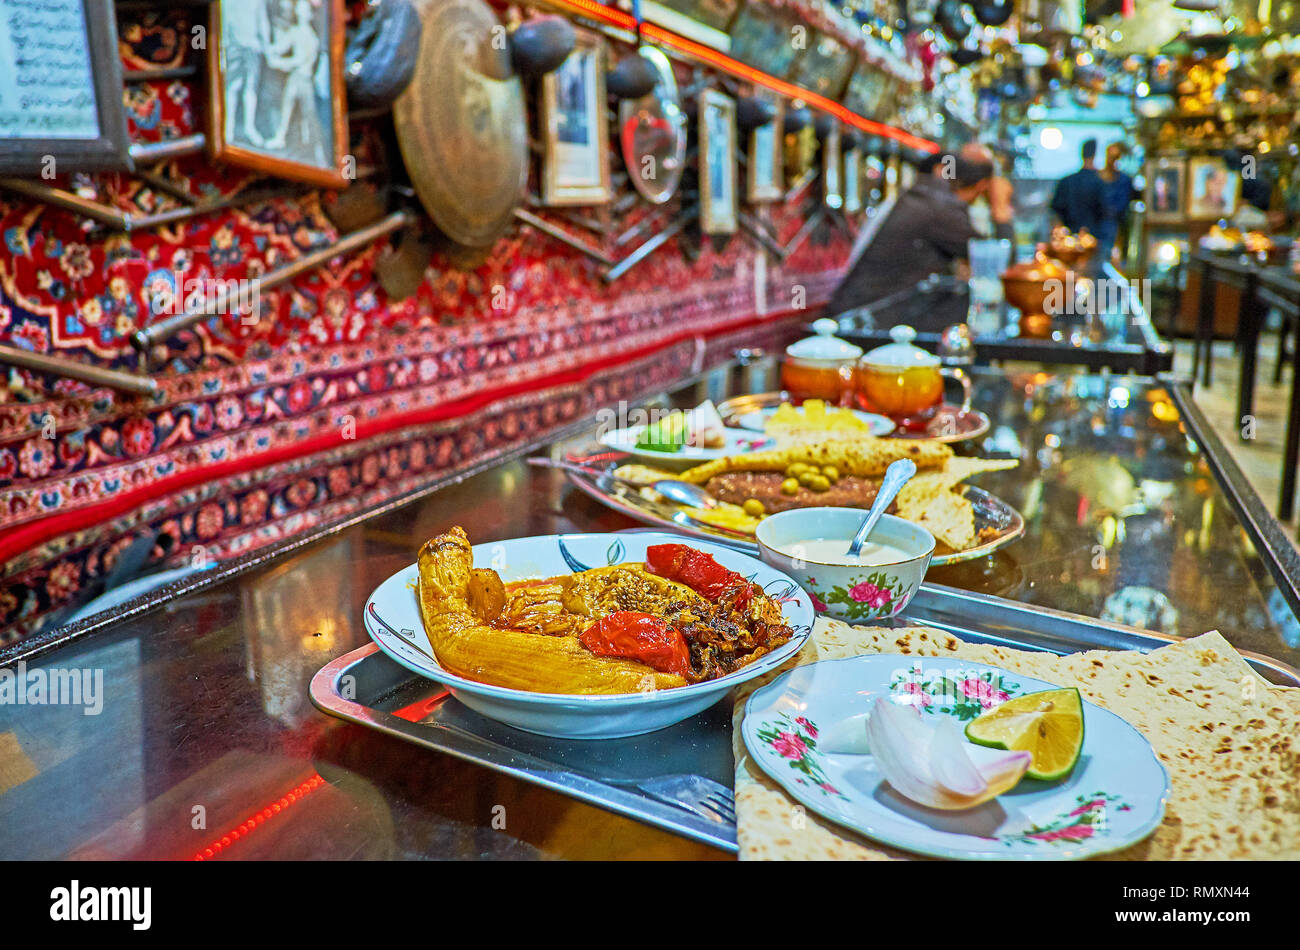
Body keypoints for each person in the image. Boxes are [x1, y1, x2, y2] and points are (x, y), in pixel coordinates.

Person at [825, 142, 1015, 316]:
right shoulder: (938, 207)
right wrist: (1001, 210)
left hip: (858, 314)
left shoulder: (923, 197)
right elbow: (1004, 267)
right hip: (864, 322)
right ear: (982, 186)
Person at [1049, 139, 1106, 236]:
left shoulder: (1066, 181)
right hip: (1096, 240)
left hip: (1069, 239)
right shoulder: (1101, 183)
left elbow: (1055, 212)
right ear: (1095, 155)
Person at [1097, 141, 1137, 273]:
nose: (1112, 160)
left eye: (1116, 157)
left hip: (1116, 229)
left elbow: (1121, 207)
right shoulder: (1098, 178)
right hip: (1098, 228)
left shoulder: (1124, 180)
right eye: (1110, 156)